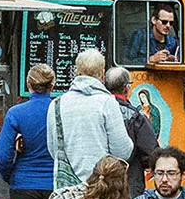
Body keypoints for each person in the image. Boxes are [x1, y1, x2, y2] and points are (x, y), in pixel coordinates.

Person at [46, 48, 133, 190]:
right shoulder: (107, 103)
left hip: (67, 194)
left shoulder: (56, 104)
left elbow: (54, 150)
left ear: (76, 72)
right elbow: (122, 151)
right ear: (102, 73)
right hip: (100, 189)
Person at [0, 64, 55, 199]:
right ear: (52, 85)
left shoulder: (16, 113)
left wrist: (11, 177)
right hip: (57, 186)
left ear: (28, 84)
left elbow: (3, 156)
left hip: (24, 186)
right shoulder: (60, 110)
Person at [105, 66, 159, 198]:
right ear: (126, 88)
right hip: (129, 184)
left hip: (100, 183)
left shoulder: (96, 111)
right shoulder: (135, 116)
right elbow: (151, 151)